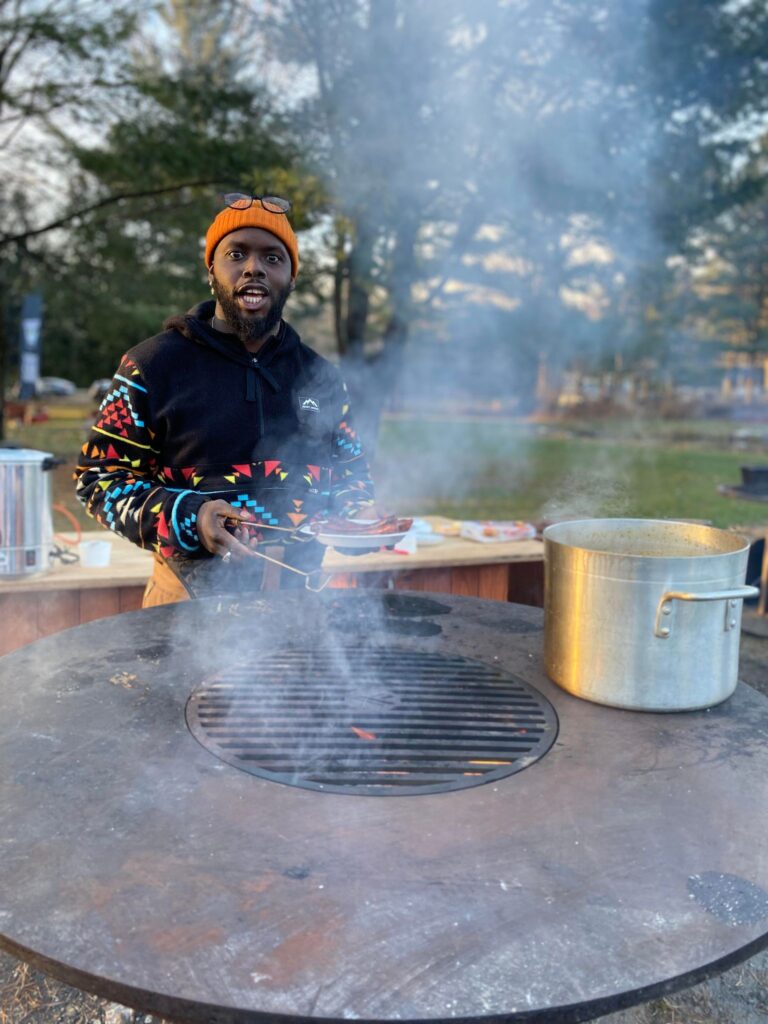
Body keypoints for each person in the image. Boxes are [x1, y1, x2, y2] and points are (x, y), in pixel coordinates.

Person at [75, 194, 375, 604]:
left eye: (273, 258)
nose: (254, 267)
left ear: (291, 278)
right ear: (211, 269)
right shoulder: (151, 367)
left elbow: (351, 475)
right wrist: (189, 516)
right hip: (186, 601)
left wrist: (358, 517)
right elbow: (98, 479)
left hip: (299, 602)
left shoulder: (321, 377)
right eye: (237, 253)